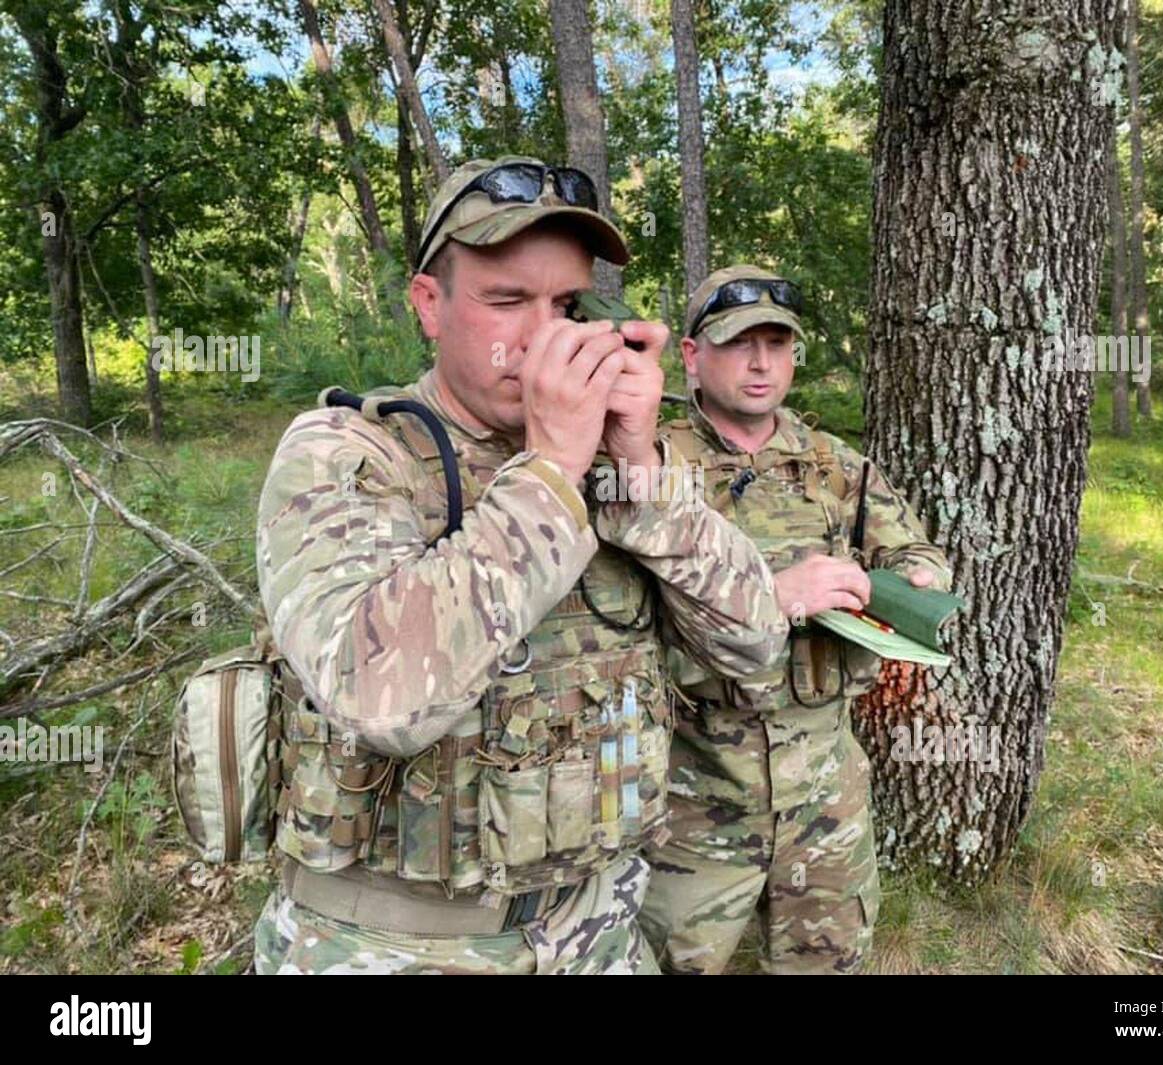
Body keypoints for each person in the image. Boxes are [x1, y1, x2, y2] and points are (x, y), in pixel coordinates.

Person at [251, 161, 787, 974]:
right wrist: (550, 469)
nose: (546, 337)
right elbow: (383, 695)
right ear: (430, 304)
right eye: (508, 301)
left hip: (598, 928)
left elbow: (756, 645)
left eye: (568, 306)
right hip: (399, 945)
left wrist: (637, 470)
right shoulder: (349, 453)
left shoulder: (618, 459)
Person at [639, 264, 953, 974]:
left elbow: (916, 553)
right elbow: (614, 623)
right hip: (693, 800)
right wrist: (772, 595)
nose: (760, 362)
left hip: (823, 796)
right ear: (692, 355)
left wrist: (911, 580)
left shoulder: (834, 466)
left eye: (777, 343)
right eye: (739, 342)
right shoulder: (649, 469)